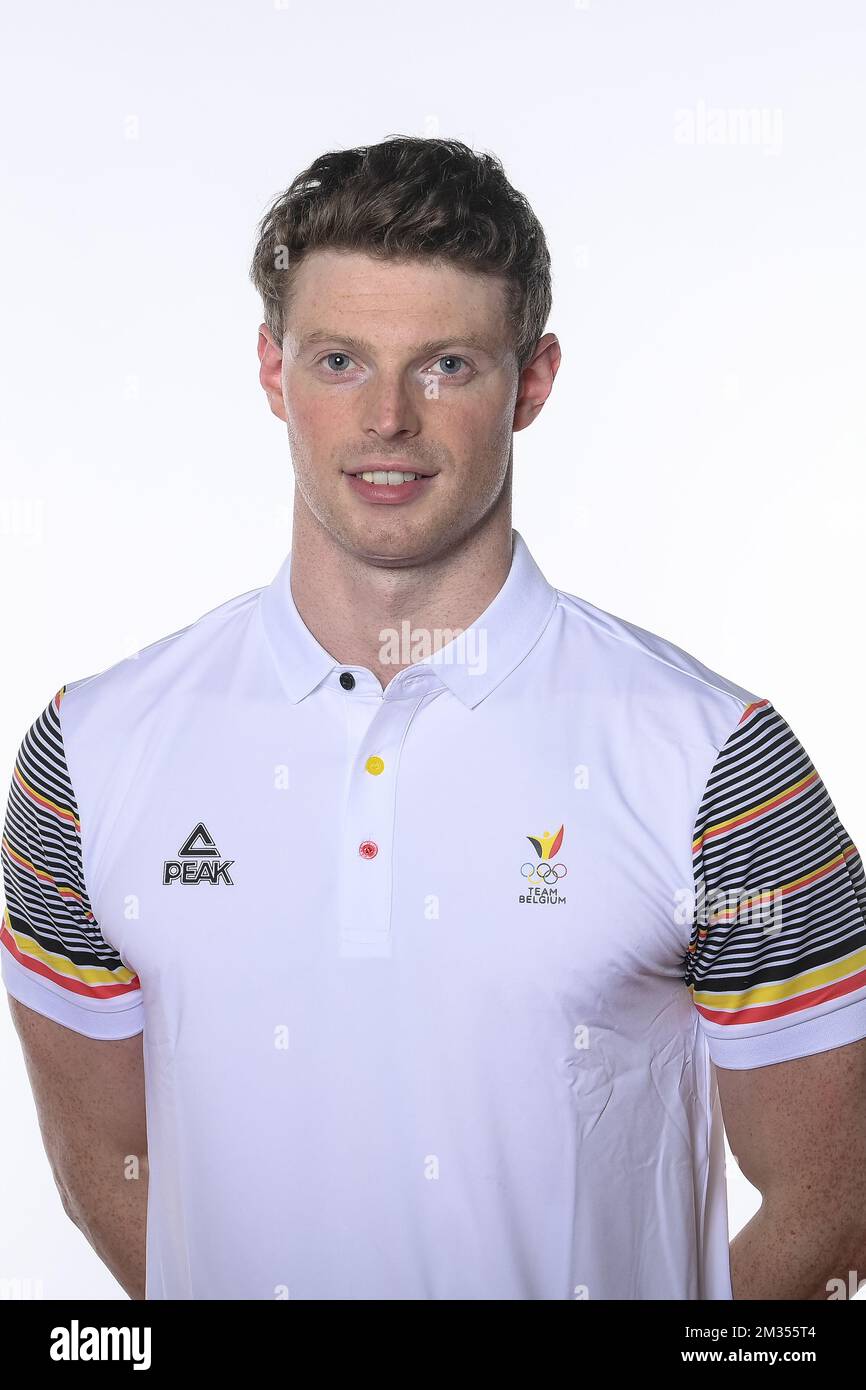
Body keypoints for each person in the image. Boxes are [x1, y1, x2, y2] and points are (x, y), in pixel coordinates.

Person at [3, 135, 866, 1301]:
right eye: (341, 360)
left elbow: (833, 1191)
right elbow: (107, 1165)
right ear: (272, 371)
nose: (389, 419)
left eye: (448, 364)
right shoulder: (87, 754)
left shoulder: (714, 760)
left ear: (534, 380)